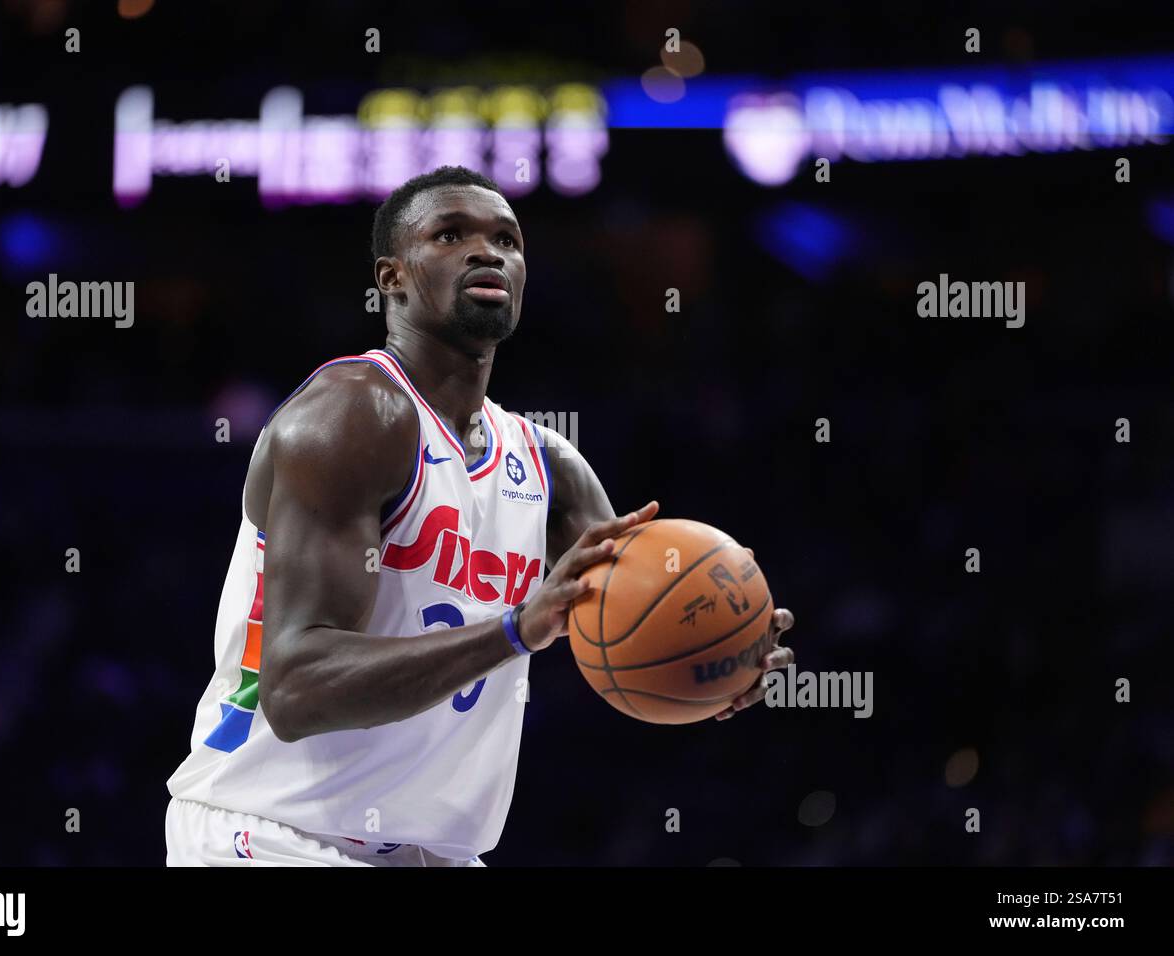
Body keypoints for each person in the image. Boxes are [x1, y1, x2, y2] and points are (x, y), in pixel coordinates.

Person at [164, 165, 795, 866]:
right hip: (271, 834)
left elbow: (637, 623)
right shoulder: (350, 414)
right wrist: (516, 630)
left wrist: (723, 666)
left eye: (507, 239)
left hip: (436, 853)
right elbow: (296, 688)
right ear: (392, 277)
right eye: (450, 234)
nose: (487, 251)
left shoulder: (547, 465)